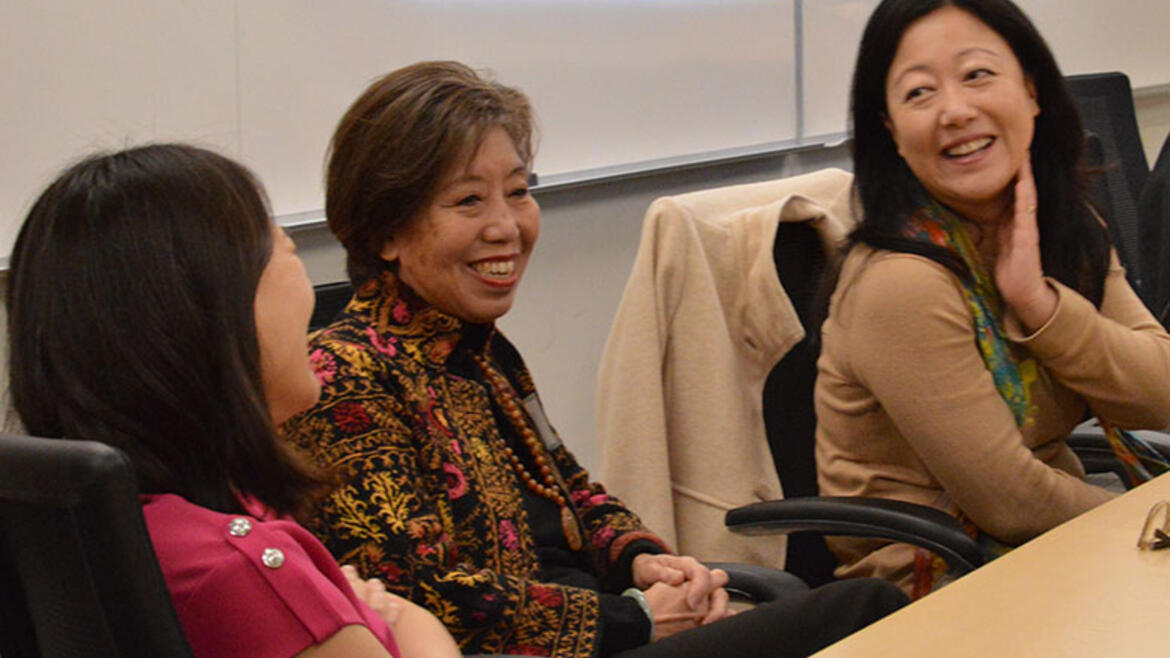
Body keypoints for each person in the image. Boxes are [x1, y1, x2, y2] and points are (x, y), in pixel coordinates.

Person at [280, 60, 907, 657]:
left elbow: (576, 496)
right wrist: (633, 618)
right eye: (469, 201)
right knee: (865, 609)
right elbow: (416, 597)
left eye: (519, 192)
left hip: (611, 629)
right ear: (386, 231)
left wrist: (642, 558)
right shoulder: (344, 379)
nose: (508, 226)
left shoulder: (482, 348)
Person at [6, 143, 460, 658]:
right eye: (286, 248)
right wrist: (379, 618)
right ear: (218, 314)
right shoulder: (240, 569)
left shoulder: (133, 521)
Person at [815, 0, 1170, 599]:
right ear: (891, 132)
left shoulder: (1065, 227)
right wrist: (1146, 526)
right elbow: (1009, 499)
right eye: (920, 93)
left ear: (1031, 91)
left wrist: (1041, 306)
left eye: (977, 75)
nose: (955, 111)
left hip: (1062, 551)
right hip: (938, 588)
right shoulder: (899, 281)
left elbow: (1161, 393)